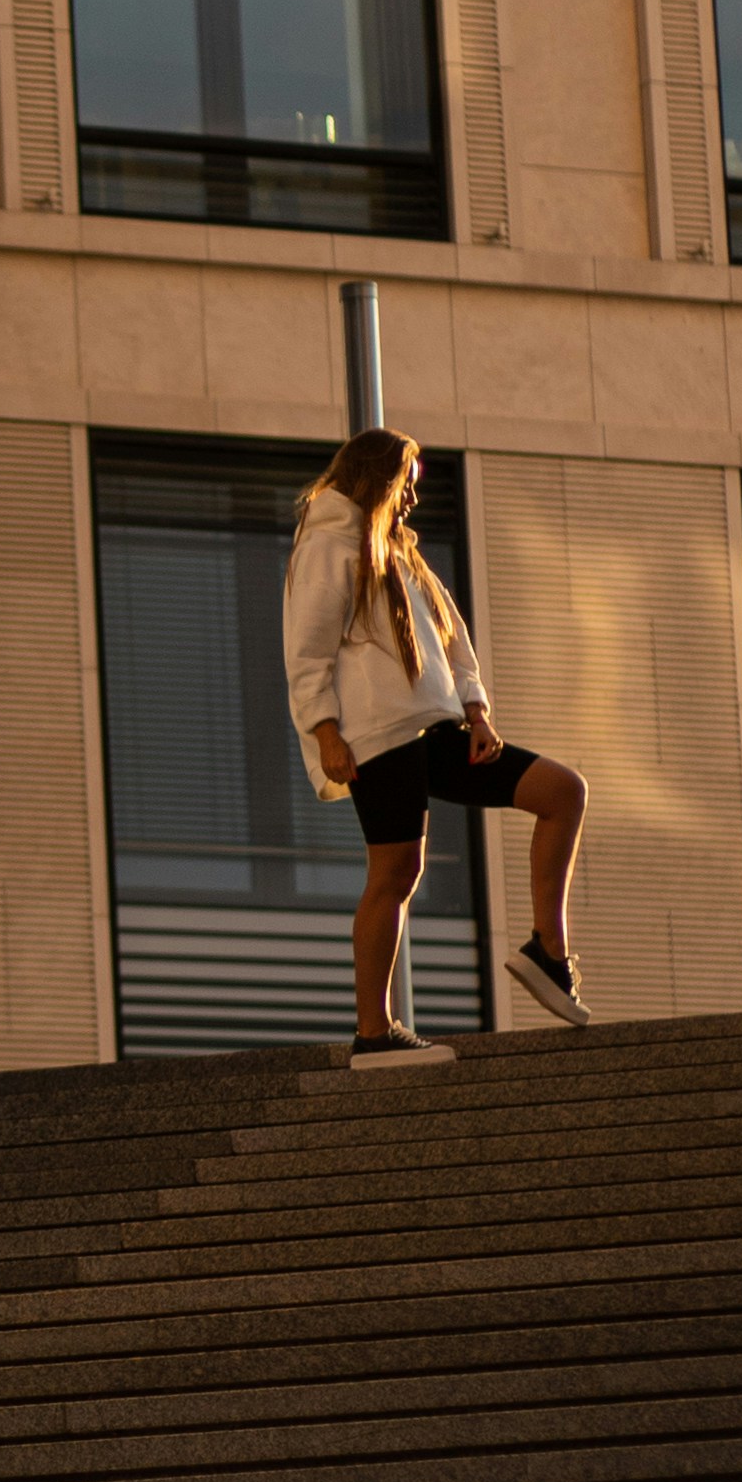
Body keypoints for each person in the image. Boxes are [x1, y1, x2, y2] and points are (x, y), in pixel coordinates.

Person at [283, 428, 592, 1064]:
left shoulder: (400, 553)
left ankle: (547, 952)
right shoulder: (330, 544)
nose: (413, 501)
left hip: (438, 725)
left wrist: (477, 710)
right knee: (395, 873)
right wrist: (325, 732)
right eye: (408, 486)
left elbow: (453, 641)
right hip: (376, 734)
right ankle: (374, 1032)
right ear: (381, 478)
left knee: (562, 791)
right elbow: (307, 650)